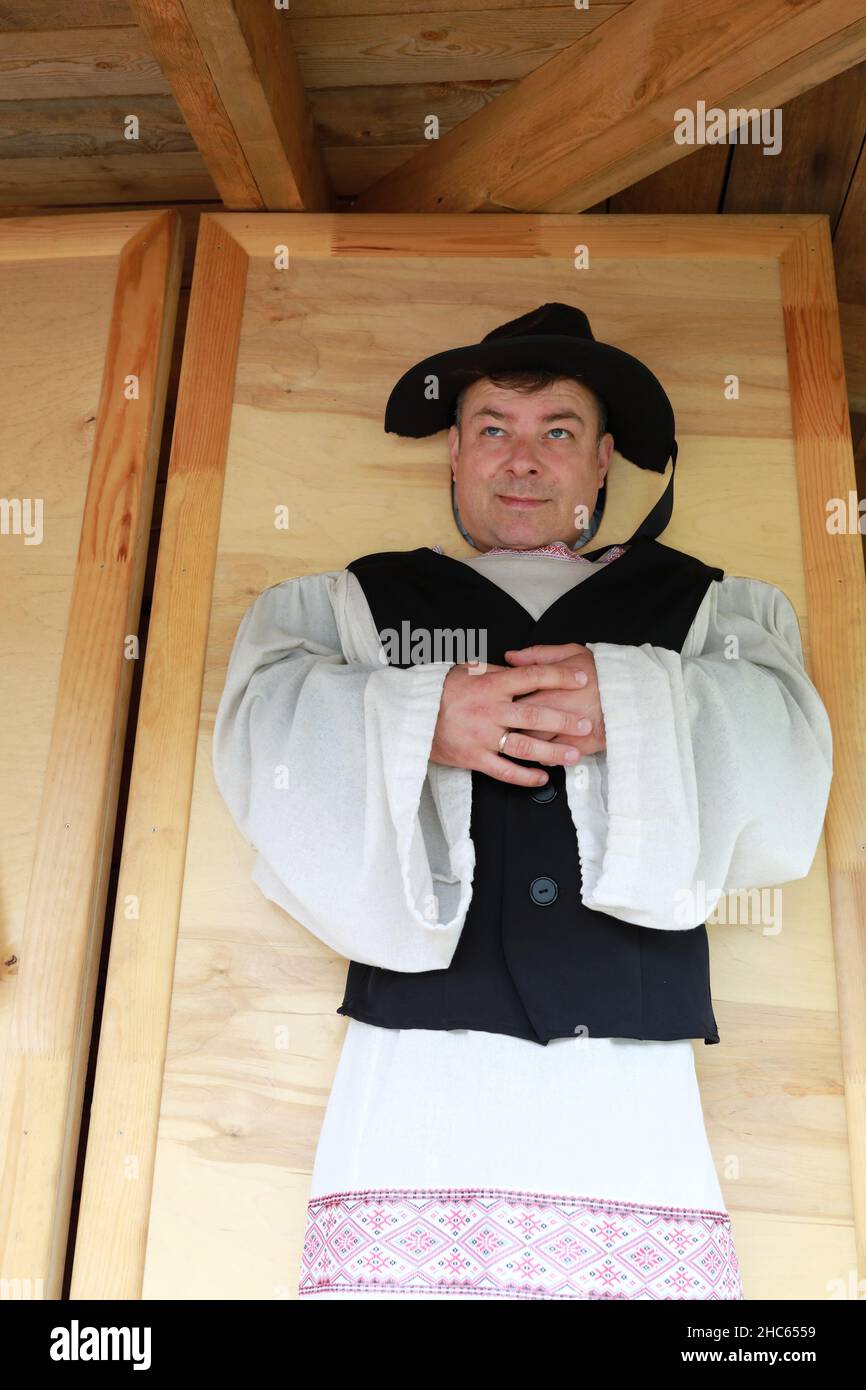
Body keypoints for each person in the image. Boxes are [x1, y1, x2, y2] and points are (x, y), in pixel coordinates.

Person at [212, 303, 833, 1300]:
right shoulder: (352, 611)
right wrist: (416, 718)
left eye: (558, 431)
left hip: (624, 1061)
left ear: (599, 466)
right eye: (492, 427)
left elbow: (786, 775)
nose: (521, 457)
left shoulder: (704, 612)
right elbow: (260, 738)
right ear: (452, 457)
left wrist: (634, 705)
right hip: (416, 1054)